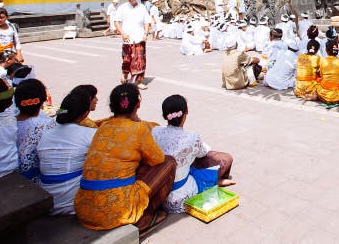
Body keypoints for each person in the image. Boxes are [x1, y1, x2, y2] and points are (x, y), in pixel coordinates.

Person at [75, 84, 177, 236]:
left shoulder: (102, 127)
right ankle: (144, 218)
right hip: (117, 210)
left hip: (84, 209)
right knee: (169, 162)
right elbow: (157, 159)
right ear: (138, 105)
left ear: (112, 106)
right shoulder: (138, 129)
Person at [152, 95, 235, 214]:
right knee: (225, 159)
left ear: (165, 115)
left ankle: (215, 181)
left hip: (160, 194)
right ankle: (215, 182)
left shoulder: (155, 131)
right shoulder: (192, 137)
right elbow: (203, 154)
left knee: (187, 165)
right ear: (186, 111)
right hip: (181, 195)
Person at [37, 91, 96, 214]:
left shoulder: (45, 136)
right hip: (71, 205)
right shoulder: (89, 135)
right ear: (85, 114)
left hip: (49, 203)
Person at [15, 79, 56, 182]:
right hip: (37, 180)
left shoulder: (9, 123)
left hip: (13, 177)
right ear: (42, 101)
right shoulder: (47, 124)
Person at [114, 0, 152, 89]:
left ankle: (139, 81)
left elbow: (147, 21)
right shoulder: (122, 8)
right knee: (127, 59)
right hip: (127, 39)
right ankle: (125, 78)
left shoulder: (142, 8)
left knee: (140, 60)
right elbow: (116, 21)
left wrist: (145, 33)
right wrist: (122, 33)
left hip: (139, 38)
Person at [316, 40, 339, 104]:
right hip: (336, 95)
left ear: (326, 51)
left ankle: (320, 97)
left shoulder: (322, 61)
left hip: (323, 93)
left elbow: (322, 76)